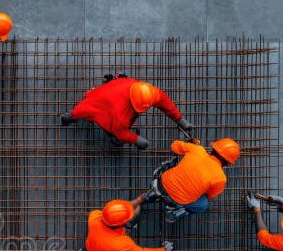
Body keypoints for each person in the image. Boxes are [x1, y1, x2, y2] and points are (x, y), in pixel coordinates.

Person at [60, 75, 193, 150]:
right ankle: (69, 118)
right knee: (115, 136)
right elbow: (120, 132)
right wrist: (136, 140)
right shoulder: (119, 115)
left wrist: (179, 119)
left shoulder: (145, 91)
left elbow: (163, 100)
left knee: (91, 105)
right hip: (101, 104)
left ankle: (112, 80)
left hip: (113, 89)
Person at [141, 138, 239, 223]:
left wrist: (189, 144)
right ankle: (174, 214)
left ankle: (152, 194)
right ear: (228, 163)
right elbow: (209, 195)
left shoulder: (197, 149)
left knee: (174, 162)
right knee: (203, 204)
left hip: (160, 183)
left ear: (213, 149)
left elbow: (174, 146)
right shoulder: (220, 178)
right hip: (177, 201)